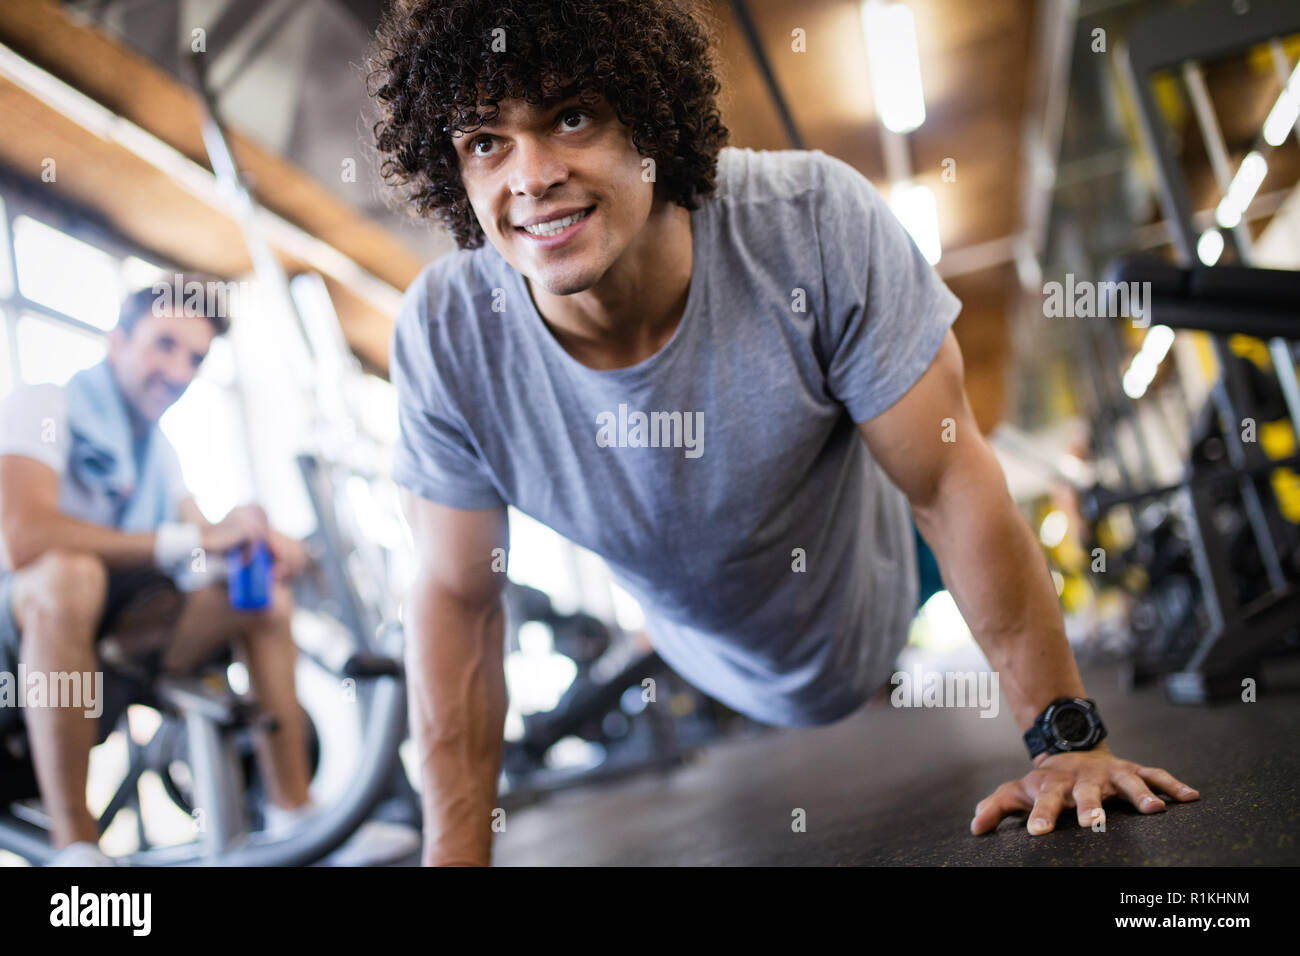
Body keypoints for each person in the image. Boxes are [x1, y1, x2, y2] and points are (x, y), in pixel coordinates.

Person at [368, 0, 1200, 867]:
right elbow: (459, 601)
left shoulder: (810, 219)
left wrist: (1066, 741)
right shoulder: (446, 336)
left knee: (922, 462)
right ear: (451, 173)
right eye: (485, 142)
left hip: (876, 578)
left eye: (571, 117)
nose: (531, 176)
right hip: (705, 643)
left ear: (649, 119)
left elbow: (950, 484)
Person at [0, 280, 417, 865]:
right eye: (164, 345)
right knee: (70, 574)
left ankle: (294, 814)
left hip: (115, 637)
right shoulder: (45, 405)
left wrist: (253, 543)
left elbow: (197, 547)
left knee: (258, 593)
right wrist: (196, 537)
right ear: (116, 342)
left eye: (194, 358)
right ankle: (76, 845)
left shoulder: (158, 449)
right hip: (21, 641)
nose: (177, 369)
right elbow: (25, 539)